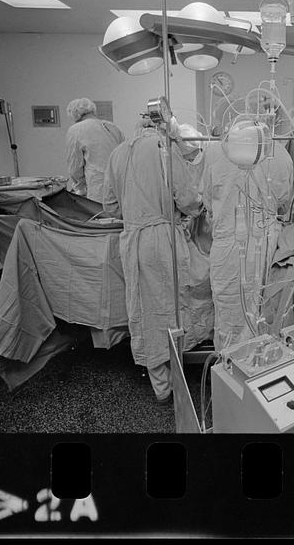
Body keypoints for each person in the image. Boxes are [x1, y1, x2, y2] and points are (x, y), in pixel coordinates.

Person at [103, 117, 211, 405]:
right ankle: (178, 375)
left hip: (132, 239)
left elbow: (109, 204)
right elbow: (187, 199)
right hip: (162, 237)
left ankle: (160, 385)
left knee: (145, 308)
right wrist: (196, 208)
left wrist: (135, 211)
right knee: (171, 306)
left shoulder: (118, 152)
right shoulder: (165, 148)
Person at [202, 109, 294, 351]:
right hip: (266, 244)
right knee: (263, 311)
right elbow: (284, 200)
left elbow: (207, 201)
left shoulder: (216, 152)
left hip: (228, 246)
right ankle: (262, 376)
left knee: (230, 314)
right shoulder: (279, 153)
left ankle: (230, 377)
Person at [65, 98, 124, 202]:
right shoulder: (113, 127)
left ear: (75, 114)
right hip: (121, 185)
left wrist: (79, 188)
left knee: (100, 215)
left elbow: (75, 166)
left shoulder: (76, 130)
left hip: (98, 187)